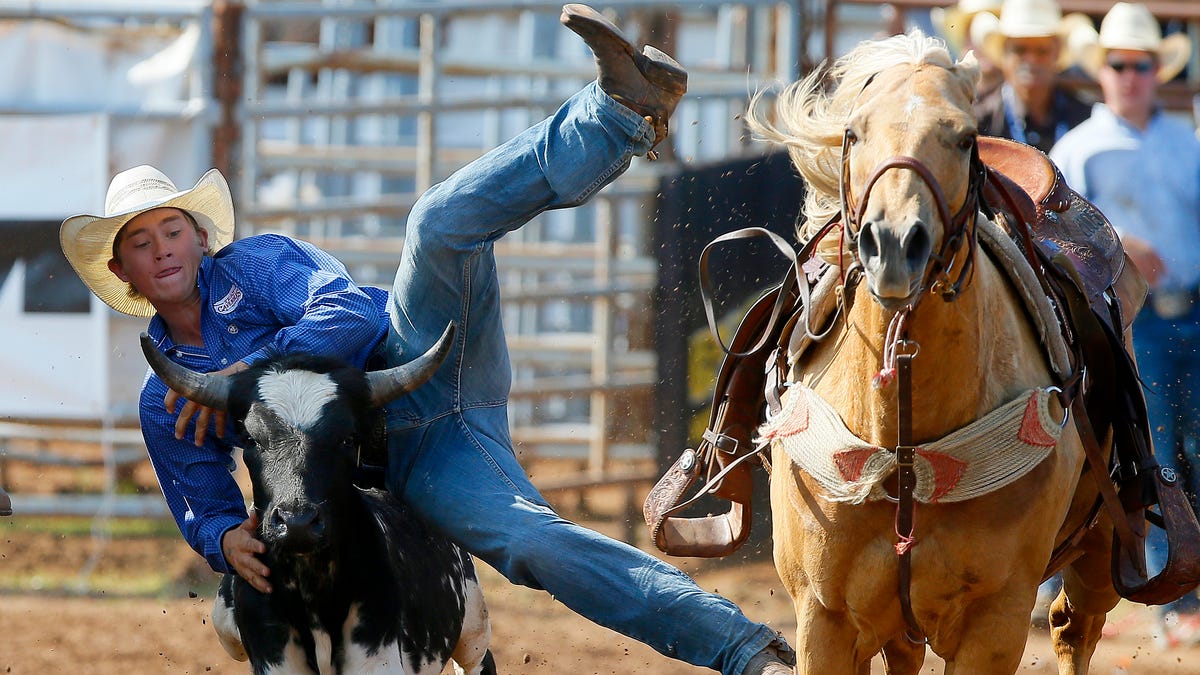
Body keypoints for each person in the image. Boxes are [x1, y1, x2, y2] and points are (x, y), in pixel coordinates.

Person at [58, 5, 794, 674]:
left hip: (415, 354)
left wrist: (253, 366)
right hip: (417, 467)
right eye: (142, 243)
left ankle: (619, 114)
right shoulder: (168, 398)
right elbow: (203, 498)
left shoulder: (256, 265)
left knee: (436, 223)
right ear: (124, 273)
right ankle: (745, 649)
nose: (162, 249)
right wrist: (223, 540)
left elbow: (346, 311)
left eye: (172, 229)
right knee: (533, 545)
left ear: (199, 235)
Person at [1049, 2, 1200, 648]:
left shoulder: (1186, 141)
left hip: (1192, 308)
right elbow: (1048, 237)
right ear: (1103, 71)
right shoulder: (1076, 150)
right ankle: (1178, 594)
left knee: (1189, 449)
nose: (1131, 75)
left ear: (1155, 72)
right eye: (1119, 65)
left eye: (1141, 65)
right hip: (1123, 325)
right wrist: (1115, 243)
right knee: (1158, 451)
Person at [974, 0, 1095, 153]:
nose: (1031, 60)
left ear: (1057, 54)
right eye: (1020, 50)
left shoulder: (1085, 118)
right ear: (1004, 55)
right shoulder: (979, 120)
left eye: (1041, 51)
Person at [931, 0, 1004, 95]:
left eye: (989, 36)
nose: (980, 45)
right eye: (972, 35)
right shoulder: (951, 98)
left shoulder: (1018, 102)